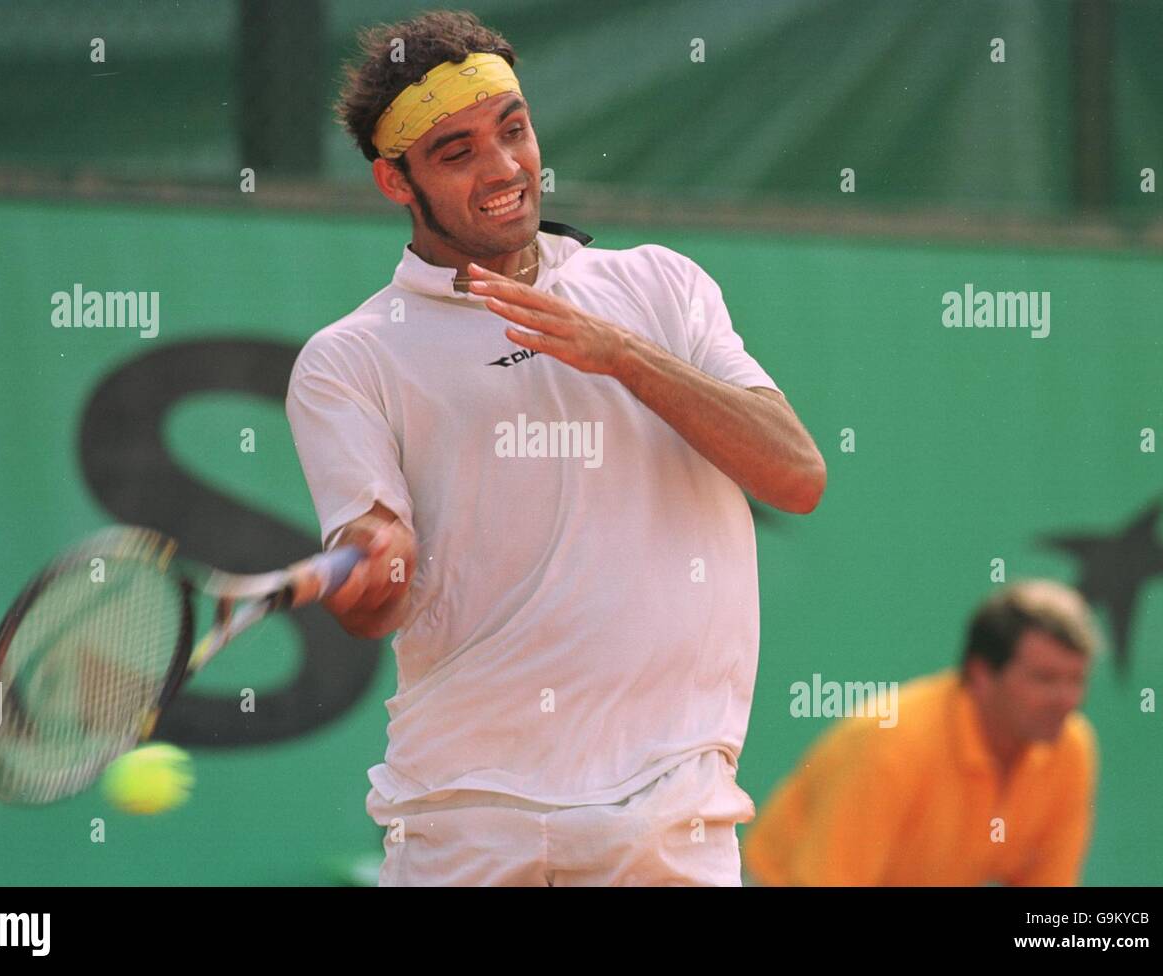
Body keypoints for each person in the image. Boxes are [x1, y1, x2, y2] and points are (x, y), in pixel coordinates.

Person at [286, 10, 825, 886]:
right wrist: (375, 561)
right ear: (396, 182)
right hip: (465, 830)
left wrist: (621, 353)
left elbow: (796, 473)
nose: (503, 169)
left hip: (670, 823)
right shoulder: (352, 359)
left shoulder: (660, 286)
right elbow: (375, 594)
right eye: (455, 153)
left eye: (513, 130)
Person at [742, 580, 1101, 886]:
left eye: (1076, 680)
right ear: (980, 676)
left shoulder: (1072, 747)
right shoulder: (893, 744)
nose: (1068, 700)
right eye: (1045, 679)